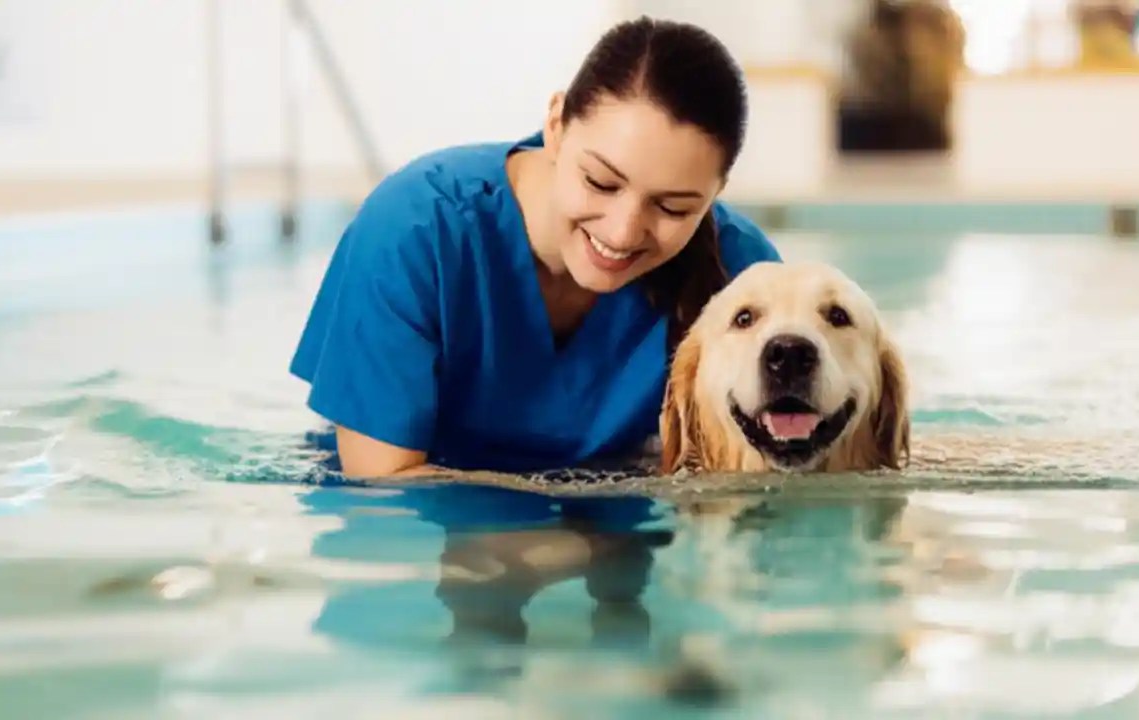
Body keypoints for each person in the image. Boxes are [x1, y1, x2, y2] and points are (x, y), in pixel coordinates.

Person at [289, 16, 782, 479]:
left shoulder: (741, 279)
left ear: (716, 192)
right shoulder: (415, 233)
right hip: (436, 535)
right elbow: (384, 490)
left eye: (674, 208)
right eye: (600, 182)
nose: (623, 232)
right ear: (555, 124)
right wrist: (580, 538)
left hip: (619, 532)